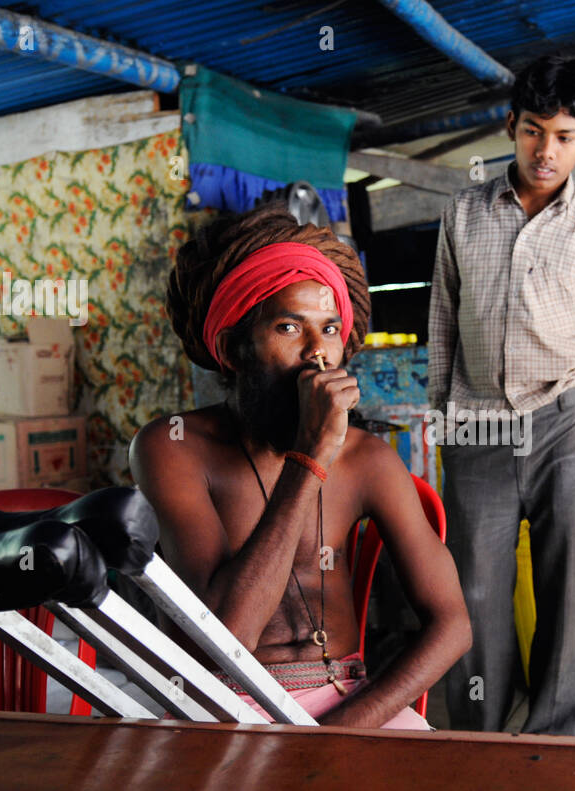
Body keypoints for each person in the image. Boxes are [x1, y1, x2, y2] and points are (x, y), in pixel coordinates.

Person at [131, 204, 471, 729]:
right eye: (289, 327)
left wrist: (341, 733)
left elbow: (451, 624)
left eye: (330, 329)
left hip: (347, 703)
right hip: (219, 708)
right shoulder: (171, 448)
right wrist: (309, 460)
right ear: (232, 349)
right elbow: (224, 643)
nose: (319, 354)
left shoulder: (367, 459)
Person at [428, 54, 575, 735]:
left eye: (561, 135)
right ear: (510, 126)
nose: (544, 150)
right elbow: (440, 326)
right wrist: (445, 425)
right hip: (478, 430)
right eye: (531, 131)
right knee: (476, 596)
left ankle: (556, 745)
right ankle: (476, 743)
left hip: (567, 426)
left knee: (567, 594)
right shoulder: (462, 216)